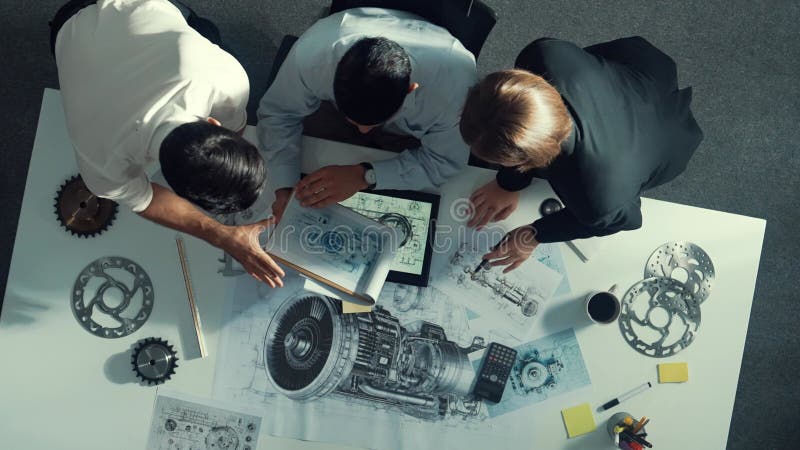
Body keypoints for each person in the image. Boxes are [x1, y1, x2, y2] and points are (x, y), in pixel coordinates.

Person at [51, 0, 284, 287]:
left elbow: (147, 197)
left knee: (206, 32)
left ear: (213, 124)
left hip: (115, 19)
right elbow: (147, 200)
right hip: (75, 28)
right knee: (207, 30)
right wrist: (220, 234)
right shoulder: (102, 168)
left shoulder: (220, 77)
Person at [460, 37, 704, 272]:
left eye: (503, 163)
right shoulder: (542, 55)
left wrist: (536, 234)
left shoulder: (600, 198)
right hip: (638, 68)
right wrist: (507, 184)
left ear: (533, 161)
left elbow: (625, 220)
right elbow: (516, 122)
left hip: (669, 138)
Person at [257, 7, 477, 220]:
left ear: (411, 88)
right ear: (333, 76)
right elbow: (278, 115)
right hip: (330, 111)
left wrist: (367, 176)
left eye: (374, 123)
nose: (362, 132)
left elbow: (444, 162)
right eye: (353, 120)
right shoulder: (314, 55)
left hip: (406, 136)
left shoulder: (455, 87)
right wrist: (284, 186)